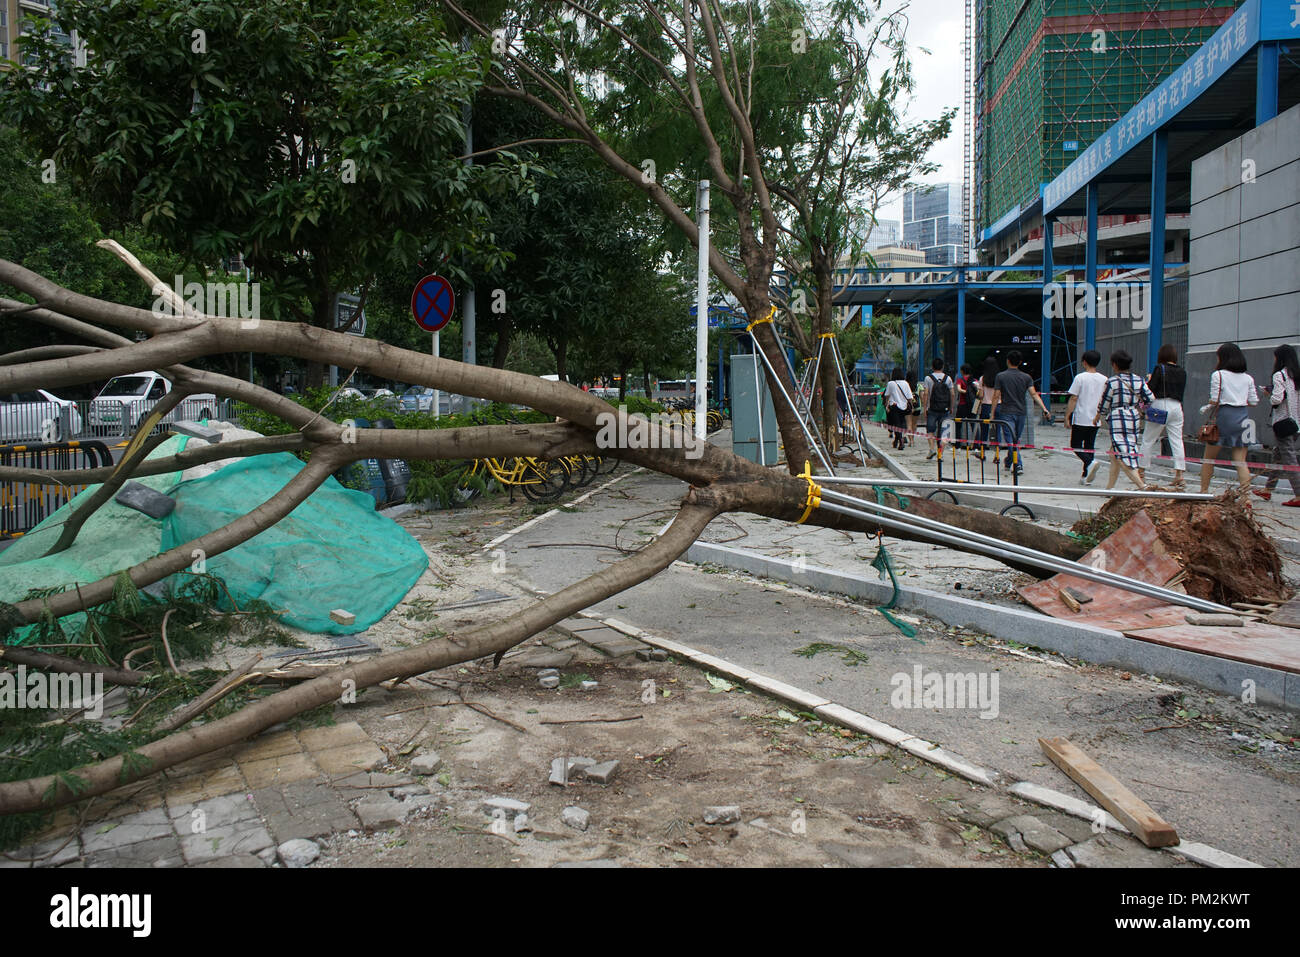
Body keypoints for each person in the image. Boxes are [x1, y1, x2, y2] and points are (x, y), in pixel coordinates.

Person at [1198, 341, 1259, 494]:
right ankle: (1246, 498)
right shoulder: (1248, 378)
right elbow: (1253, 401)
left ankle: (1204, 491)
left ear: (1222, 358)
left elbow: (1215, 399)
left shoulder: (1218, 375)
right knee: (1240, 461)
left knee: (1209, 458)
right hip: (1243, 418)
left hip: (1224, 416)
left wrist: (1206, 408)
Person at [1094, 350, 1156, 490]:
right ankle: (1109, 488)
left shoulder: (1112, 382)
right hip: (1133, 416)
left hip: (1117, 417)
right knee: (1117, 451)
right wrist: (1139, 408)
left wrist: (1098, 415)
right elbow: (1150, 398)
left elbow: (1104, 403)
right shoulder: (1138, 380)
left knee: (1120, 452)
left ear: (1114, 365)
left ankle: (1141, 485)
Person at [1138, 344, 1188, 490]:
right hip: (1177, 407)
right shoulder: (1182, 371)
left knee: (1148, 439)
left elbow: (1151, 389)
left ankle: (1141, 471)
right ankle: (1179, 474)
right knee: (1177, 440)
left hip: (1160, 405)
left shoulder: (1160, 368)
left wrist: (1149, 379)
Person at [991, 350, 1049, 474]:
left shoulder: (1000, 376)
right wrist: (1044, 408)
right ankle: (1010, 461)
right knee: (1015, 440)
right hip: (1021, 413)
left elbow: (996, 396)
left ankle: (1017, 465)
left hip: (1006, 412)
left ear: (1007, 361)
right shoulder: (1026, 377)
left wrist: (992, 413)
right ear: (1020, 362)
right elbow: (1033, 394)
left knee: (1011, 440)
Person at [1256, 343, 1300, 505]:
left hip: (1283, 422)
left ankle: (1298, 494)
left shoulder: (1279, 376)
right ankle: (1268, 489)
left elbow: (1277, 399)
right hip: (1296, 423)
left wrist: (1268, 393)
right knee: (1278, 455)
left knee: (1289, 458)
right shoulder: (1296, 375)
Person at [1064, 350, 1108, 484]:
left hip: (1081, 417)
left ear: (1084, 362)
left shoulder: (1080, 377)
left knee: (1075, 445)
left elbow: (1074, 398)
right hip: (1095, 418)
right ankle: (1086, 476)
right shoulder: (1104, 379)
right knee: (1089, 446)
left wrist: (1067, 416)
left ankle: (1090, 463)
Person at [923, 357, 953, 460]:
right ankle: (941, 453)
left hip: (932, 409)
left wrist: (925, 407)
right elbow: (952, 394)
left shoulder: (928, 378)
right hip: (945, 409)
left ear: (932, 367)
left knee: (930, 430)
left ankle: (932, 449)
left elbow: (926, 393)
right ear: (943, 366)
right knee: (944, 431)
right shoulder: (948, 378)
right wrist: (951, 407)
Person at [884, 367, 913, 451]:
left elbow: (887, 395)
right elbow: (910, 397)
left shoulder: (891, 383)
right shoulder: (906, 383)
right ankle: (897, 439)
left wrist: (886, 405)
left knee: (896, 425)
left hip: (894, 407)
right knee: (900, 423)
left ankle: (900, 441)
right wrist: (911, 406)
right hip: (904, 407)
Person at [975, 356, 999, 459]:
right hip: (998, 405)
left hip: (985, 406)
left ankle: (983, 453)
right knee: (997, 430)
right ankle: (996, 454)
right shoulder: (999, 377)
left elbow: (980, 395)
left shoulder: (982, 378)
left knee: (984, 430)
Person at [954, 363, 976, 447]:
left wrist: (966, 392)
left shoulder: (960, 380)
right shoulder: (974, 380)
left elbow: (959, 389)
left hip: (962, 404)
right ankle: (976, 446)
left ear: (962, 371)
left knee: (958, 424)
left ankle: (958, 445)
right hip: (972, 405)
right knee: (974, 424)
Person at [905, 370, 920, 447]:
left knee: (909, 424)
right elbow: (922, 395)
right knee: (914, 424)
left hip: (908, 407)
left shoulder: (905, 385)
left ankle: (910, 440)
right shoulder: (918, 385)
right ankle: (913, 439)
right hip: (917, 407)